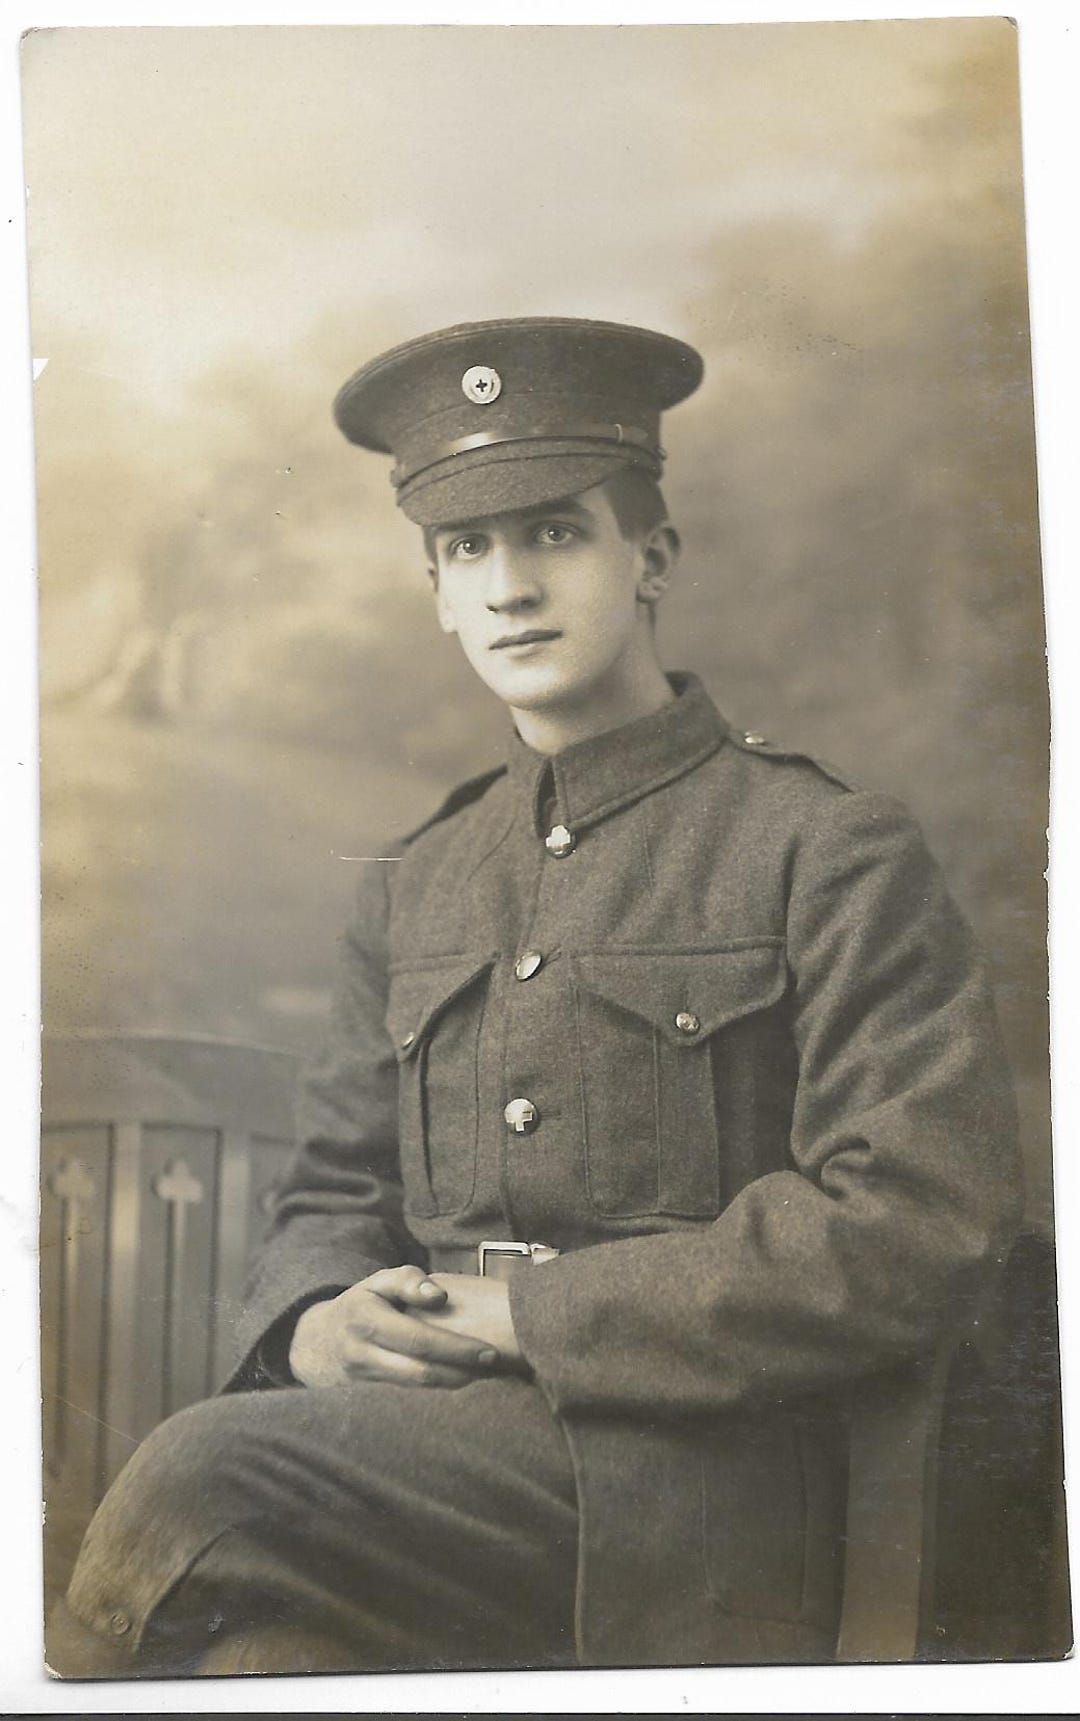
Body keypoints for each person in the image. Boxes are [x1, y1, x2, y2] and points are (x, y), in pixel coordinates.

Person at [47, 317, 1024, 1679]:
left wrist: (534, 1318)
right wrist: (317, 1321)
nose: (509, 585)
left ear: (653, 559)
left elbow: (921, 1219)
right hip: (434, 1464)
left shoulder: (821, 847)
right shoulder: (416, 880)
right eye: (467, 549)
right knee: (256, 1662)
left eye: (555, 533)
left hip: (705, 1491)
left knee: (194, 1475)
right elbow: (332, 1189)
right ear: (435, 590)